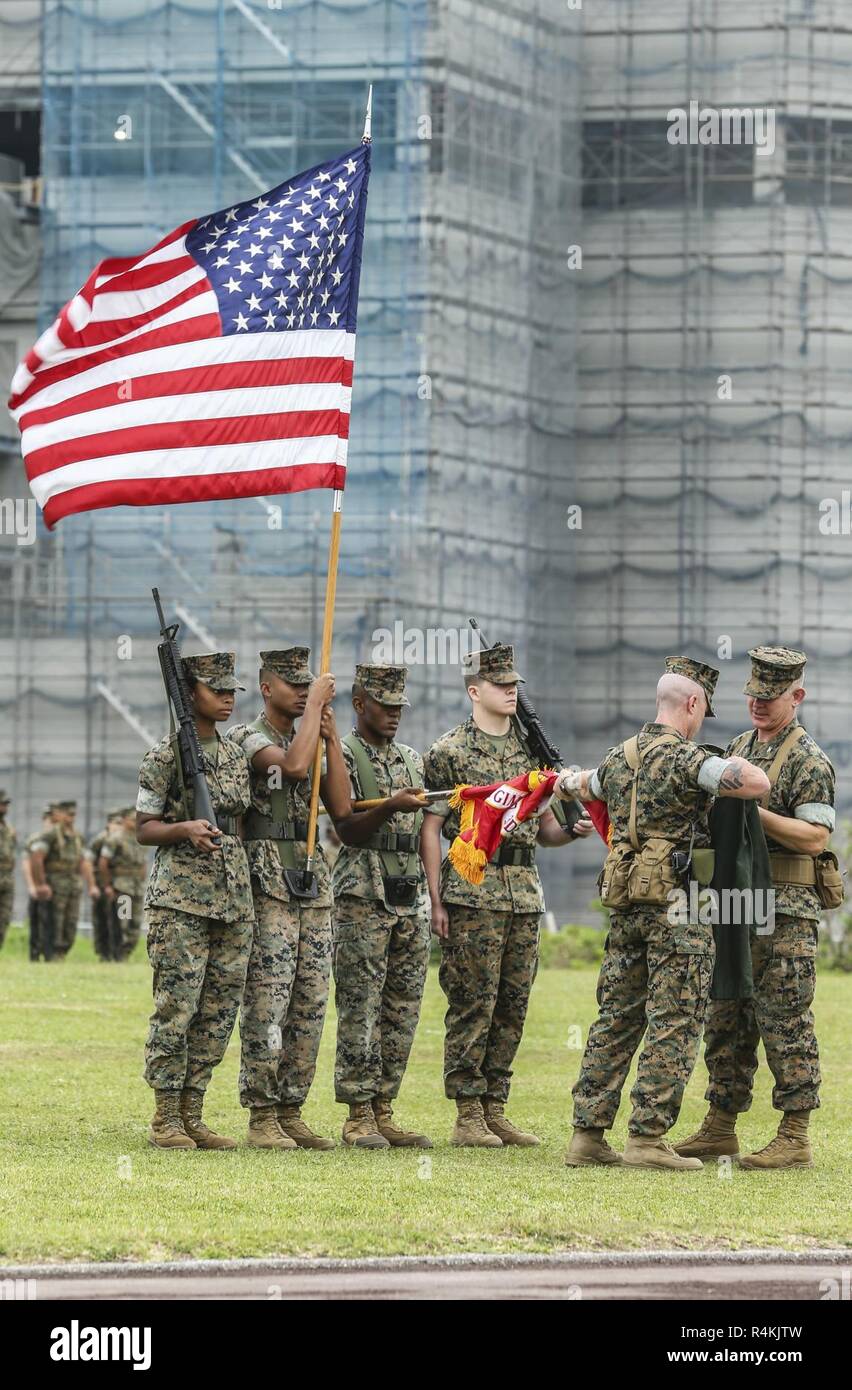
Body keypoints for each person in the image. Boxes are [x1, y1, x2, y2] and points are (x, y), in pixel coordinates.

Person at [557, 656, 770, 1170]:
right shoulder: (684, 759)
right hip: (681, 906)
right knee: (675, 1018)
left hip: (627, 902)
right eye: (703, 711)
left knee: (617, 1015)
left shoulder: (618, 758)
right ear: (692, 704)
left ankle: (587, 1134)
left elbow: (581, 785)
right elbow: (755, 782)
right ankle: (648, 1138)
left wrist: (567, 782)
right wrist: (720, 768)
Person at [422, 642, 594, 1148]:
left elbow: (543, 830)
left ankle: (495, 1104)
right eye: (501, 685)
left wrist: (573, 832)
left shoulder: (527, 752)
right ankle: (467, 1112)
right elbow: (432, 829)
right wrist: (436, 899)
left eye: (516, 684)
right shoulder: (449, 751)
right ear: (475, 691)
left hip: (522, 892)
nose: (511, 691)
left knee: (512, 1003)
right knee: (472, 1000)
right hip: (472, 889)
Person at [673, 647, 836, 1170]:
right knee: (727, 1012)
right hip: (737, 904)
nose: (758, 705)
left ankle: (795, 1134)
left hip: (786, 912)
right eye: (753, 696)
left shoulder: (808, 760)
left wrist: (753, 814)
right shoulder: (739, 747)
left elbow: (814, 837)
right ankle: (721, 1126)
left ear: (797, 697)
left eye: (770, 698)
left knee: (784, 1016)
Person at [228, 648, 350, 1151]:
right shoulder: (249, 737)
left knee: (310, 997)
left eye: (309, 685)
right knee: (269, 997)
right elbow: (294, 769)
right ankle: (261, 1113)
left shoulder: (312, 738)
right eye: (294, 684)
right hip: (266, 874)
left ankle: (290, 1106)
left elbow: (340, 806)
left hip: (310, 874)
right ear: (266, 687)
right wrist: (315, 716)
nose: (303, 691)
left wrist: (332, 736)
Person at [137, 651, 254, 1151]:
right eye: (217, 689)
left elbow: (241, 821)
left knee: (218, 1009)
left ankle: (193, 1111)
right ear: (190, 695)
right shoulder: (165, 756)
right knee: (177, 1006)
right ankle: (165, 1116)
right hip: (181, 901)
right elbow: (143, 828)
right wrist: (183, 828)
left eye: (232, 690)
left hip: (232, 897)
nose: (227, 698)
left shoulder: (233, 755)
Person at [331, 663, 432, 1149]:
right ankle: (357, 1113)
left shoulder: (413, 759)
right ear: (359, 704)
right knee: (361, 1004)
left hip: (409, 894)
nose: (393, 715)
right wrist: (389, 805)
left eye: (399, 707)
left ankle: (384, 1107)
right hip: (362, 894)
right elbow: (345, 828)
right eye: (384, 706)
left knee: (403, 1007)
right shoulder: (344, 756)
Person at [28, 799, 98, 959]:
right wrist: (41, 884)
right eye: (68, 814)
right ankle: (51, 955)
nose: (71, 818)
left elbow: (84, 862)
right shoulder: (51, 835)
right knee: (54, 922)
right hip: (55, 885)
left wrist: (91, 885)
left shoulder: (77, 836)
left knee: (71, 922)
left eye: (73, 814)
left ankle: (61, 954)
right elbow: (36, 857)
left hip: (73, 884)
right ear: (60, 814)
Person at [99, 805, 149, 960]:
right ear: (125, 819)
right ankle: (118, 955)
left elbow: (143, 862)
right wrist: (107, 885)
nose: (135, 822)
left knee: (135, 922)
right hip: (123, 887)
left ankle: (126, 953)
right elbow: (103, 862)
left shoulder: (139, 838)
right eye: (132, 819)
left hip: (137, 887)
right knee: (123, 921)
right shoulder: (115, 839)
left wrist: (142, 877)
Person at [23, 805, 57, 961]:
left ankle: (50, 956)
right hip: (38, 889)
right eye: (49, 820)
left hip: (55, 888)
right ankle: (35, 956)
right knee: (37, 924)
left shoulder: (59, 839)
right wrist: (32, 886)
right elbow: (27, 863)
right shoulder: (35, 839)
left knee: (52, 924)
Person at [89, 809, 123, 960]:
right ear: (109, 824)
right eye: (116, 823)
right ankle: (104, 954)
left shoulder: (123, 839)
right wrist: (93, 885)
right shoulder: (101, 840)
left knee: (123, 919)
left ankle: (120, 953)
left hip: (122, 888)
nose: (119, 826)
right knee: (103, 920)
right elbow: (88, 862)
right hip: (103, 887)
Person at [0, 790, 17, 950]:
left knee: (4, 918)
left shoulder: (9, 829)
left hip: (7, 878)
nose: (4, 807)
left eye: (6, 804)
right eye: (2, 804)